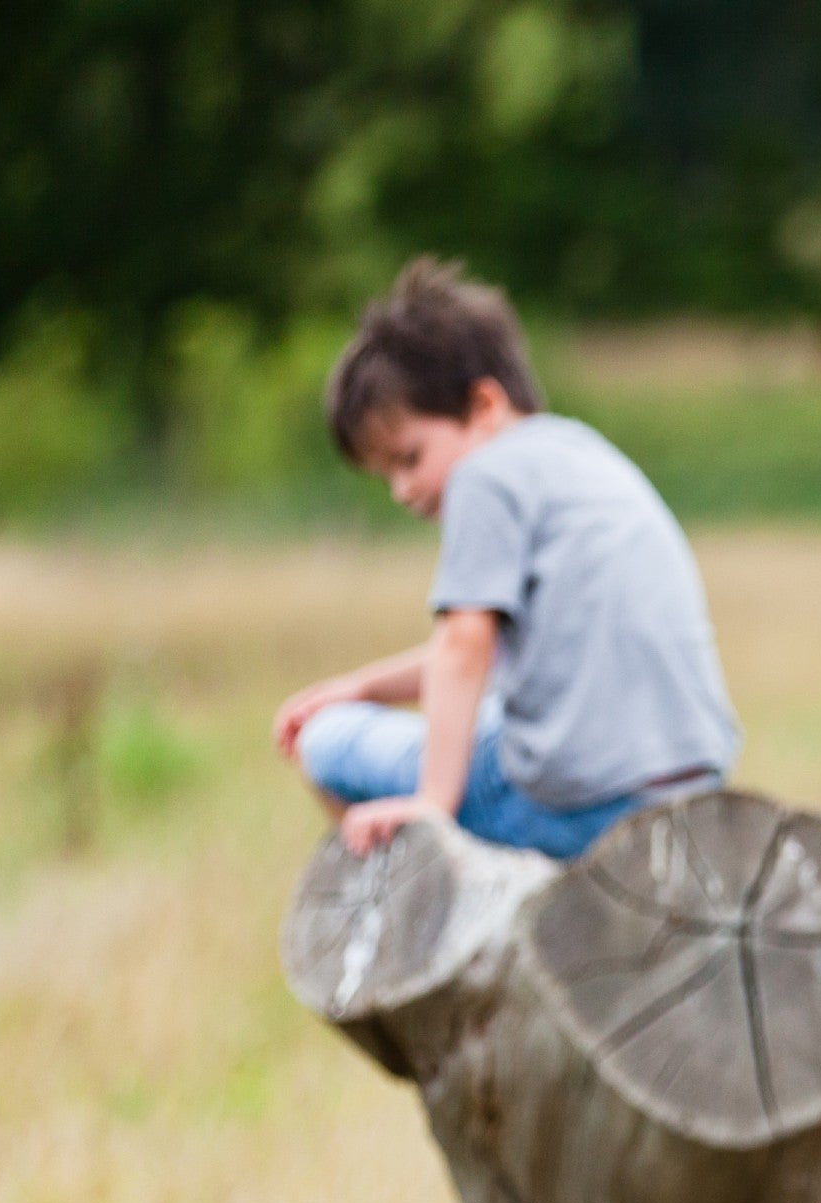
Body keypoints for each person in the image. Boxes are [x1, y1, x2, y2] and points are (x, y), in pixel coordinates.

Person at [270, 258, 739, 861]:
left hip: (581, 806)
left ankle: (411, 912)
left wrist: (434, 802)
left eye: (409, 458)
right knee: (478, 711)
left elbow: (465, 642)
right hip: (693, 784)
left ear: (484, 406)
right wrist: (364, 686)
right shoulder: (583, 455)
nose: (402, 490)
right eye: (386, 474)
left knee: (325, 741)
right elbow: (496, 650)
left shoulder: (485, 478)